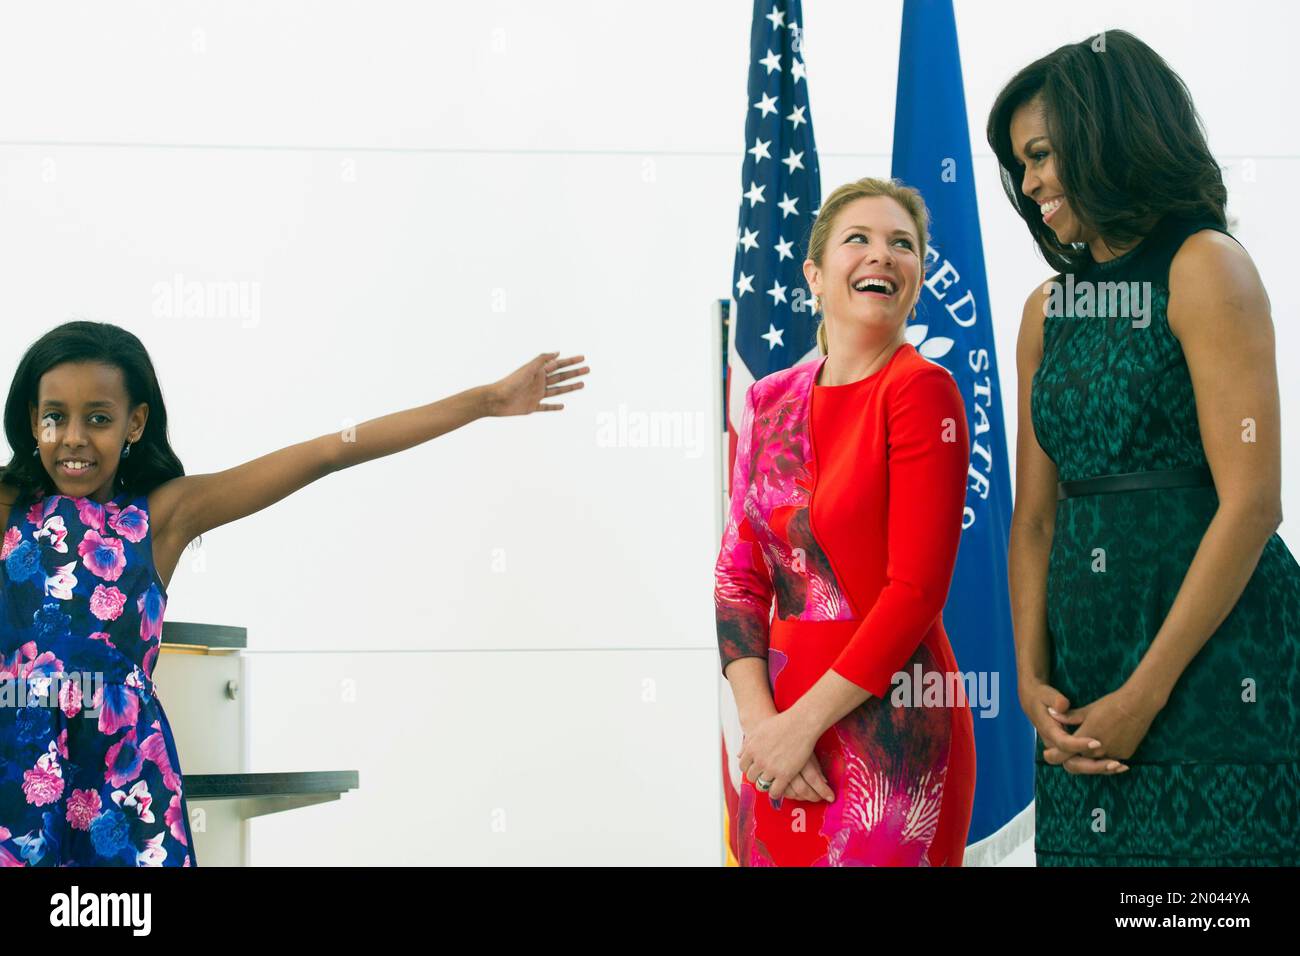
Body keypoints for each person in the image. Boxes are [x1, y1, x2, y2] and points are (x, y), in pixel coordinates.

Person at [0, 320, 588, 865]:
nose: (72, 438)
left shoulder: (165, 517)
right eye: (55, 417)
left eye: (98, 418)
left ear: (135, 423)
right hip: (14, 773)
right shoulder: (8, 510)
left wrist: (485, 402)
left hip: (124, 784)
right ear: (32, 422)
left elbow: (330, 453)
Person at [989, 29, 1300, 865]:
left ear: (1108, 135)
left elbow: (1253, 502)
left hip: (1215, 673)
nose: (1031, 184)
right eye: (1022, 164)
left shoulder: (1205, 267)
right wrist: (1028, 680)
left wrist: (1147, 691)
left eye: (1044, 154)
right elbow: (1035, 523)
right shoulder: (1043, 313)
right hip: (1082, 682)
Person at [714, 177, 977, 866]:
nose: (881, 256)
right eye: (858, 239)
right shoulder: (768, 400)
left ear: (918, 278)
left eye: (903, 245)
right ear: (815, 272)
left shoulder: (922, 392)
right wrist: (764, 726)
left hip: (888, 726)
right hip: (774, 725)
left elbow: (916, 592)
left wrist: (800, 726)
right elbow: (737, 579)